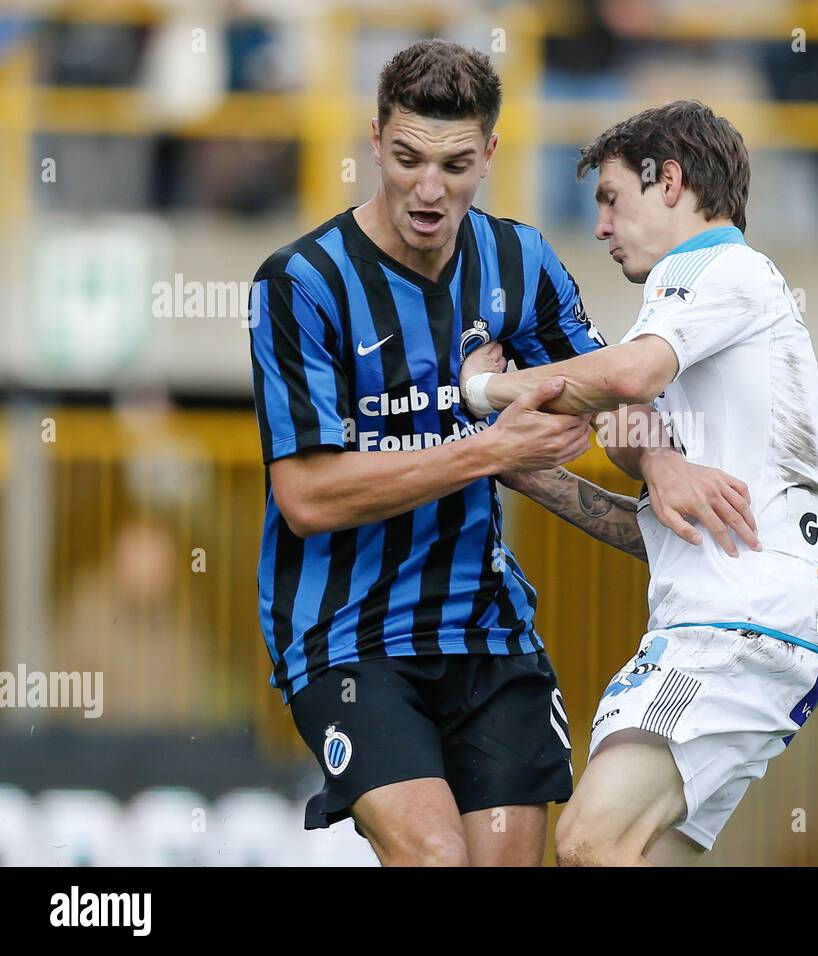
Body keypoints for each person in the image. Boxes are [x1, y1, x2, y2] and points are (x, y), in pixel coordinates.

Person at [247, 41, 741, 867]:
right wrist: (488, 448)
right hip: (347, 637)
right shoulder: (300, 284)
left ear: (491, 154)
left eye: (455, 163)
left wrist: (660, 464)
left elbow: (616, 399)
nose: (428, 188)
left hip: (486, 628)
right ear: (374, 142)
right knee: (437, 858)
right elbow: (307, 497)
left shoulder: (520, 260)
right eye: (406, 158)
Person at [458, 100, 818, 865]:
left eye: (611, 199)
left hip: (734, 624)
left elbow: (627, 375)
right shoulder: (727, 316)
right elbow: (663, 525)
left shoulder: (712, 268)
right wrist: (528, 472)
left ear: (669, 181)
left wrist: (486, 391)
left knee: (589, 841)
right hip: (769, 618)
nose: (600, 227)